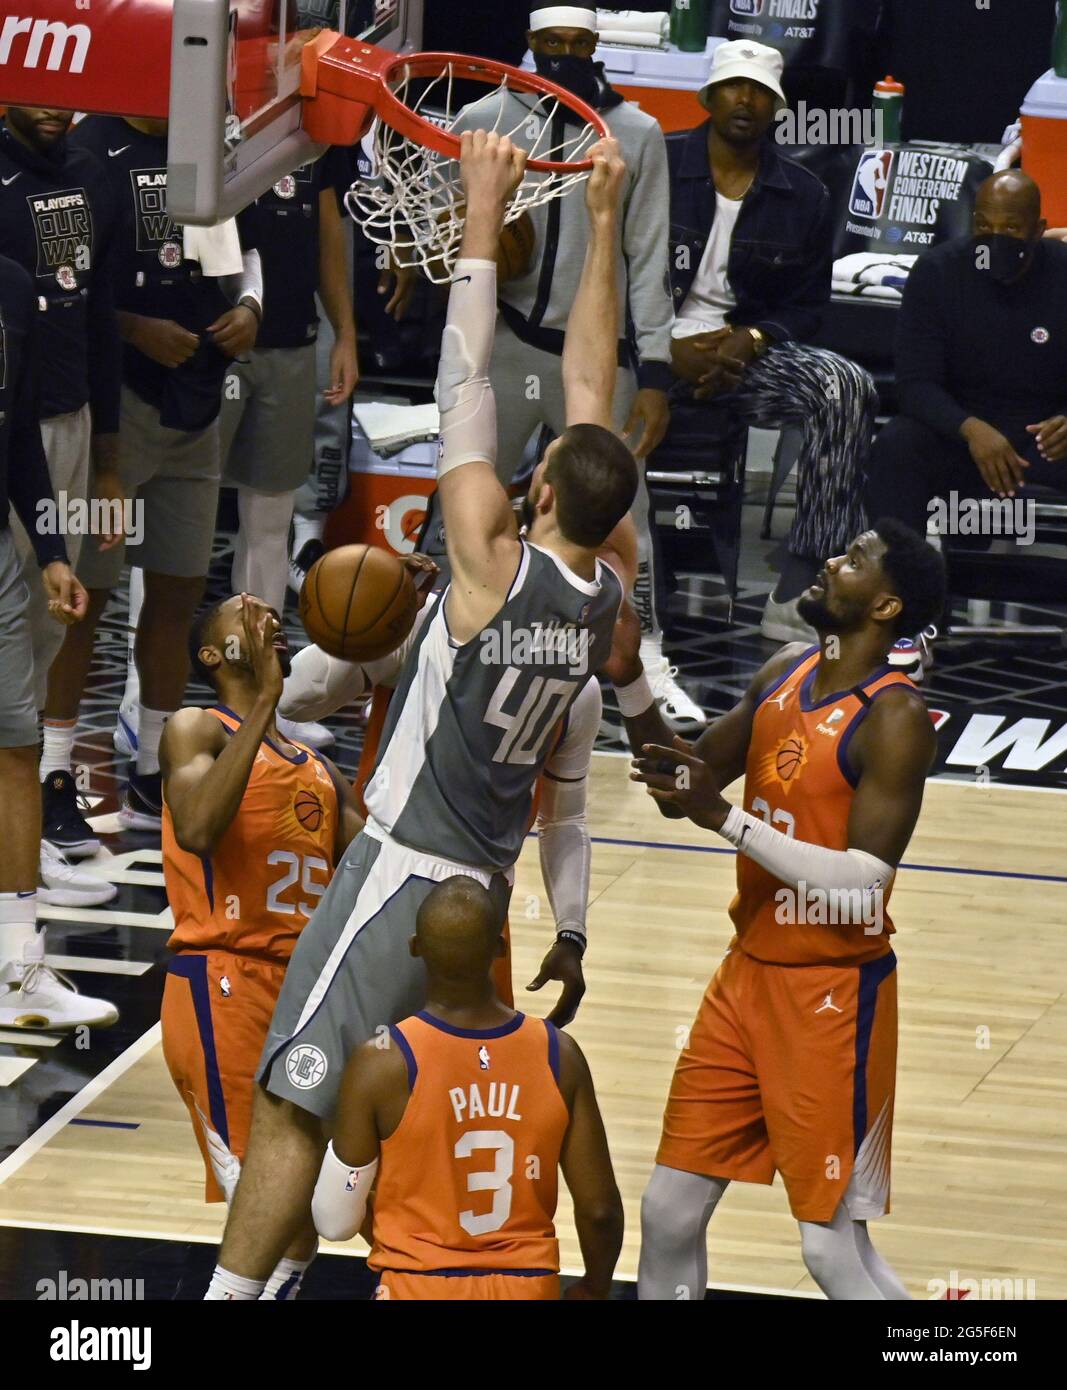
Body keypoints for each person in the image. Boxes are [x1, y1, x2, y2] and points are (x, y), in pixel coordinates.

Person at [203, 130, 637, 1299]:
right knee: (392, 1107)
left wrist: (483, 226)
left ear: (538, 492)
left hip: (397, 873)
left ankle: (232, 1296)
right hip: (481, 890)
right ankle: (345, 1251)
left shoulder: (489, 574)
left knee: (294, 1089)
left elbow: (462, 388)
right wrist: (602, 226)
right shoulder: (605, 597)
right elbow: (591, 392)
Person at [603, 519, 946, 1300]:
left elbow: (862, 882)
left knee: (830, 1252)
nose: (831, 561)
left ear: (885, 605)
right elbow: (686, 781)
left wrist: (724, 818)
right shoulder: (783, 671)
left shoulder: (894, 719)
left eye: (854, 559)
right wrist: (628, 683)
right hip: (746, 979)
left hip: (832, 997)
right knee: (668, 1210)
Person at [394, 7, 691, 726]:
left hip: (596, 349)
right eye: (551, 44)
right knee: (465, 490)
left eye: (577, 45)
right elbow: (440, 231)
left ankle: (640, 655)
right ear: (528, 44)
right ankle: (430, 636)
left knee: (625, 508)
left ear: (595, 45)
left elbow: (647, 257)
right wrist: (474, 237)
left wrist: (654, 369)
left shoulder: (637, 133)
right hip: (509, 335)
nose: (563, 55)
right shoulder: (481, 117)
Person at [39, 113, 262, 850]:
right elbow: (75, 289)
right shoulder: (89, 149)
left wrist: (250, 308)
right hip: (121, 416)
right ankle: (56, 777)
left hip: (195, 409)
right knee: (89, 601)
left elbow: (246, 247)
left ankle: (153, 772)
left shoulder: (216, 136)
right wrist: (136, 329)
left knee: (175, 593)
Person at [279, 556, 602, 1027]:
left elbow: (565, 820)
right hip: (381, 874)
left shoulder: (579, 689)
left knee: (453, 1081)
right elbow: (294, 700)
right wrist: (376, 616)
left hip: (474, 907)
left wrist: (571, 934)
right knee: (345, 1073)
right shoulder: (425, 623)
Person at [159, 589, 363, 1298]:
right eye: (242, 611)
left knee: (302, 1203)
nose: (262, 614)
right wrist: (269, 702)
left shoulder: (317, 769)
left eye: (266, 608)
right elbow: (197, 826)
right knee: (267, 1201)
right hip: (222, 981)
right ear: (213, 655)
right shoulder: (196, 728)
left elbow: (375, 874)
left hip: (304, 993)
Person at [312, 876, 623, 1300]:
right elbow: (600, 1209)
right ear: (500, 947)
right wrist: (595, 1285)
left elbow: (334, 1220)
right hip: (527, 1288)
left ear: (416, 947)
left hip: (416, 1286)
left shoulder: (380, 1062)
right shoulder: (559, 1054)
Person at [665, 41, 877, 644]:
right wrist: (661, 343)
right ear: (708, 96)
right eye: (734, 86)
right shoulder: (655, 162)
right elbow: (613, 274)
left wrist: (753, 339)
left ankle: (801, 585)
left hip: (743, 359)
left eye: (761, 92)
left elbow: (808, 308)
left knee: (844, 386)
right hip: (646, 348)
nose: (746, 100)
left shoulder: (803, 193)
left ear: (778, 108)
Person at [0, 106, 123, 908]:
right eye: (31, 92)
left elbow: (100, 312)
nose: (50, 109)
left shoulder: (87, 171)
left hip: (61, 425)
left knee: (47, 625)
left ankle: (33, 814)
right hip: (16, 423)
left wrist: (106, 451)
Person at [865, 170, 1067, 636]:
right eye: (984, 227)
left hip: (1047, 437)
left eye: (1012, 229)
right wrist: (971, 429)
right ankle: (908, 623)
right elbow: (915, 385)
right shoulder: (938, 272)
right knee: (897, 447)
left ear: (1038, 229)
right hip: (963, 432)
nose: (996, 240)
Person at [0, 250, 119, 1029]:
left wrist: (50, 553)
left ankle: (17, 964)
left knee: (12, 745)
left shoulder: (13, 282)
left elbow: (17, 446)